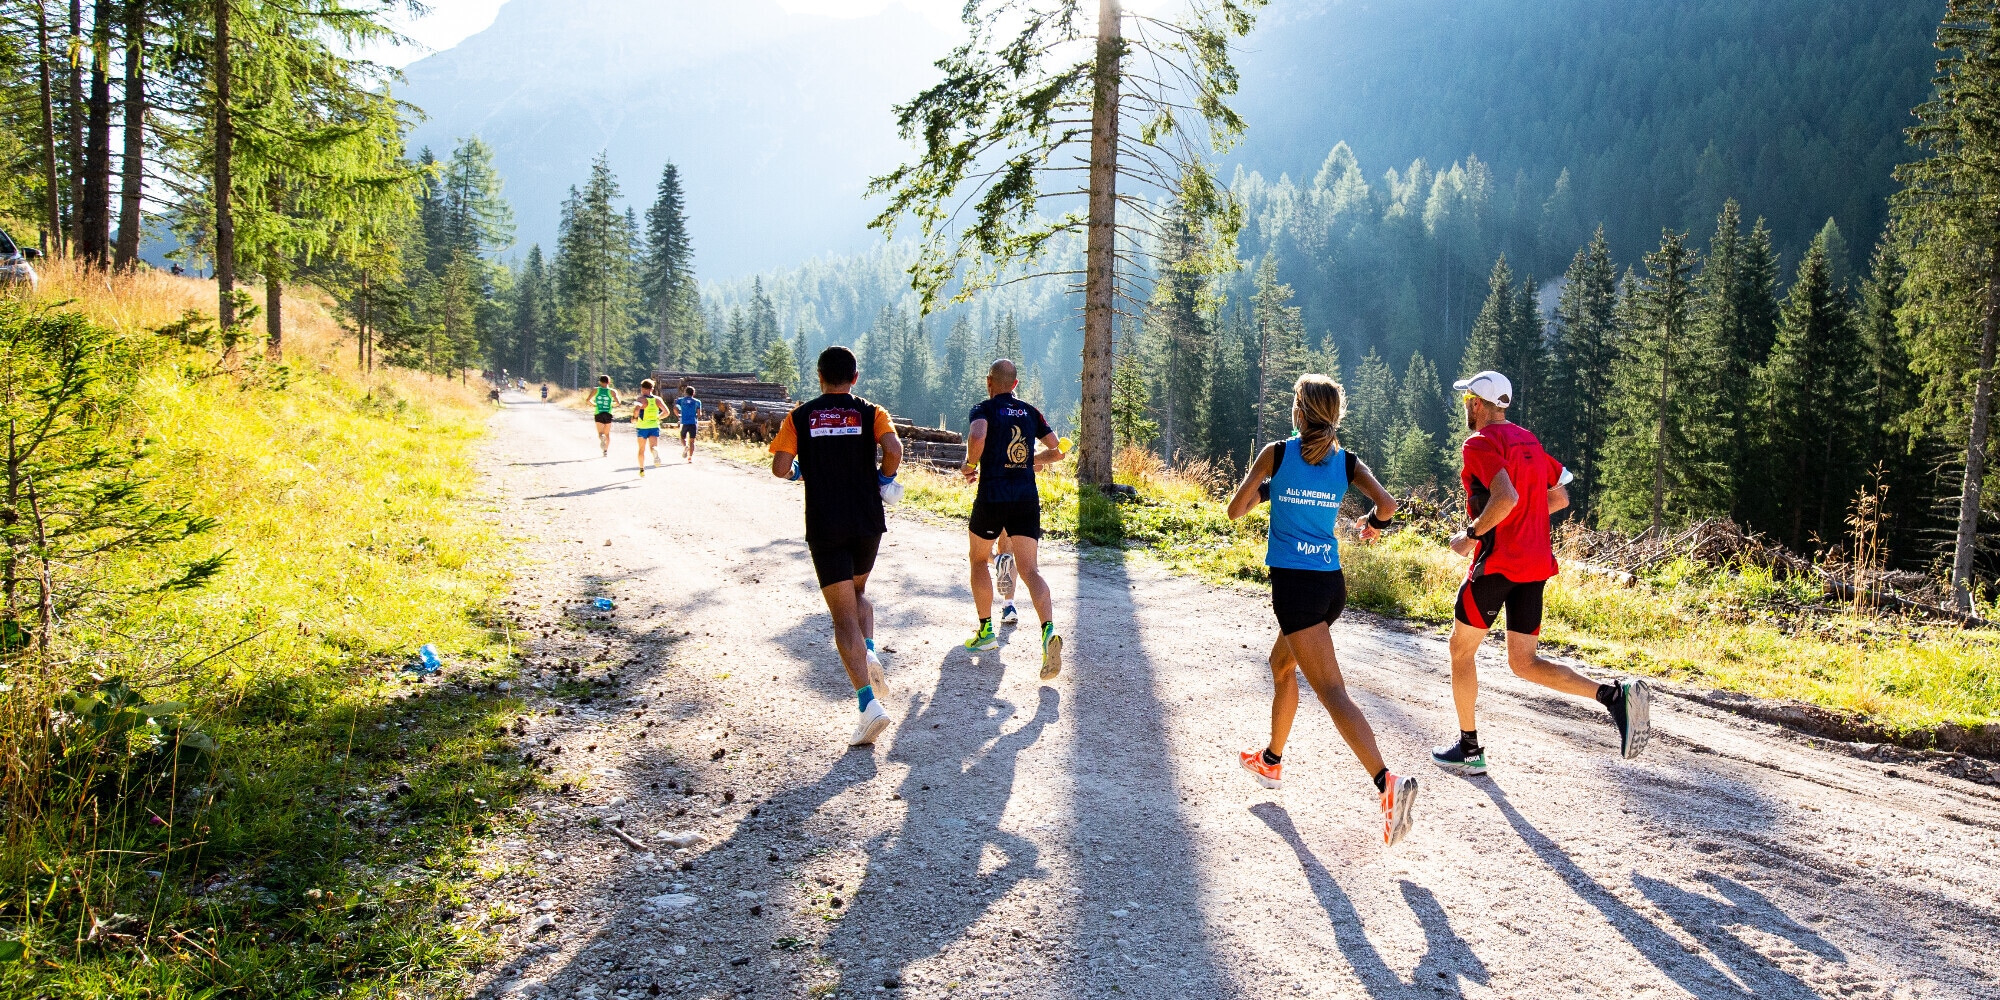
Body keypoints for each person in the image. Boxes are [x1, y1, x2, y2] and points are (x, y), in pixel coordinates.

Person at [1225, 374, 1418, 846]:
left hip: (1295, 591)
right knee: (1280, 664)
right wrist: (1371, 523)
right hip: (1330, 586)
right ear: (1334, 415)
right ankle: (1271, 761)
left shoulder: (1277, 453)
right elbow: (1388, 506)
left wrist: (1272, 490)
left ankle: (1386, 784)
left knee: (1332, 692)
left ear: (1298, 410)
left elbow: (1236, 510)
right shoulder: (1346, 462)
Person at [1431, 370, 1651, 776]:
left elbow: (1507, 496)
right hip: (1534, 564)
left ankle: (1469, 748)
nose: (1466, 408)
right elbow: (1560, 494)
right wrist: (1521, 515)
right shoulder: (1528, 440)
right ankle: (1613, 696)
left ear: (1478, 404)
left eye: (1468, 402)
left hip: (1498, 563)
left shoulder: (1479, 442)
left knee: (1460, 651)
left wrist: (1471, 534)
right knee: (1524, 663)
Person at [769, 347, 905, 747]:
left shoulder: (801, 415)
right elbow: (893, 450)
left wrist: (798, 472)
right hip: (867, 522)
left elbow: (780, 466)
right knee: (859, 592)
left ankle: (868, 706)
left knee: (842, 614)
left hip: (826, 525)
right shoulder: (871, 411)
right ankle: (869, 650)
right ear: (855, 377)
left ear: (819, 375)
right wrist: (883, 478)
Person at [959, 359, 1065, 679]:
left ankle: (986, 631)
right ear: (1016, 385)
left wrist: (970, 464)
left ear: (990, 382)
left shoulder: (984, 408)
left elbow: (978, 437)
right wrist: (1031, 460)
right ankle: (1048, 632)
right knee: (1030, 569)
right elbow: (1058, 450)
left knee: (978, 560)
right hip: (1025, 499)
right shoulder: (1031, 412)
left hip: (993, 496)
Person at [632, 379, 666, 475]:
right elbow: (666, 412)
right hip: (654, 426)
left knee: (641, 449)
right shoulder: (657, 399)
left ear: (642, 388)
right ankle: (655, 451)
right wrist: (658, 417)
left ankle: (642, 469)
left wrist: (634, 418)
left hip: (642, 426)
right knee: (653, 447)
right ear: (652, 388)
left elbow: (636, 410)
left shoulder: (640, 399)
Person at [590, 375, 621, 457]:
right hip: (608, 413)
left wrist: (594, 405)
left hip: (598, 413)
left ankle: (601, 437)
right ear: (609, 382)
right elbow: (618, 403)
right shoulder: (612, 391)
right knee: (607, 434)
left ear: (600, 382)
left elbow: (587, 400)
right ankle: (605, 451)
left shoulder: (595, 390)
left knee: (600, 433)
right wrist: (611, 405)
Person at [676, 385, 703, 463]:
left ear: (685, 392)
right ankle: (690, 458)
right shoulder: (697, 402)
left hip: (684, 422)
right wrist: (696, 417)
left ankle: (685, 446)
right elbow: (699, 413)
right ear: (693, 393)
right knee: (692, 441)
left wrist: (678, 415)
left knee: (682, 437)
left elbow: (675, 407)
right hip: (693, 423)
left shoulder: (680, 400)